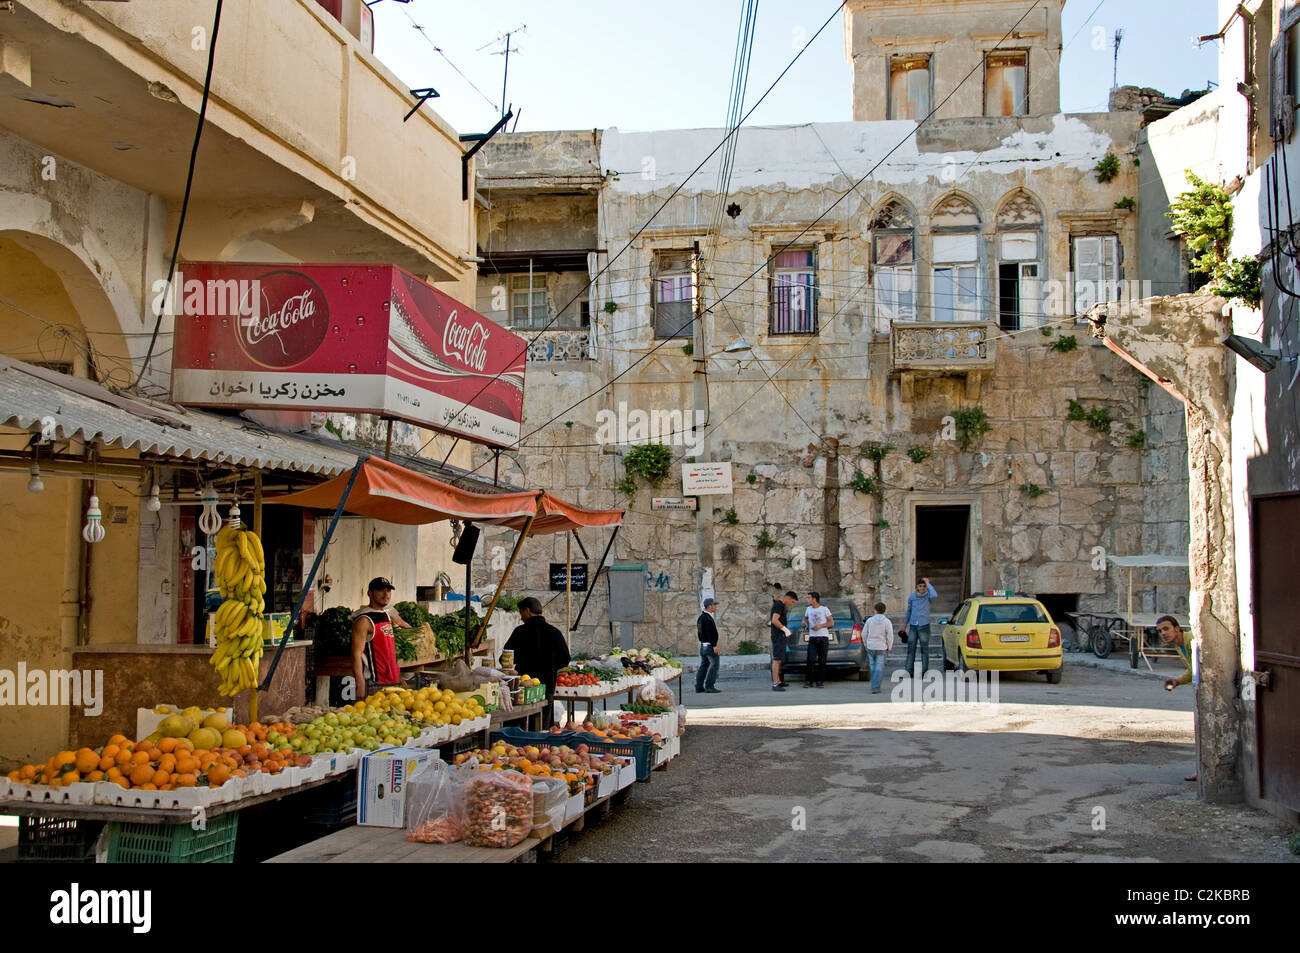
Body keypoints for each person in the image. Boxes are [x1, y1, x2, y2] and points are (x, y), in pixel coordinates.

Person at [503, 596, 571, 727]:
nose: (521, 617)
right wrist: (550, 666)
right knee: (543, 726)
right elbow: (565, 659)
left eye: (521, 612)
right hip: (546, 686)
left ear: (527, 610)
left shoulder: (520, 632)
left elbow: (506, 658)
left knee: (520, 723)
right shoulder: (554, 632)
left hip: (523, 688)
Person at [351, 577, 412, 701]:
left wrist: (398, 676)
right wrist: (360, 684)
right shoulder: (364, 620)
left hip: (391, 682)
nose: (386, 594)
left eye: (388, 590)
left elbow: (388, 650)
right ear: (370, 593)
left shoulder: (385, 615)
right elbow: (356, 654)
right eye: (380, 590)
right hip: (374, 684)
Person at [1157, 615, 1198, 782]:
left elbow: (1201, 669)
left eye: (1166, 629)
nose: (1163, 633)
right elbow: (1193, 670)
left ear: (1177, 628)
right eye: (1160, 631)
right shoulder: (1180, 646)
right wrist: (1178, 681)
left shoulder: (1190, 642)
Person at [899, 577, 937, 676]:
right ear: (917, 587)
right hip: (913, 626)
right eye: (920, 586)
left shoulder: (928, 596)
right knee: (911, 649)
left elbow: (934, 595)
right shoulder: (912, 597)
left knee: (924, 649)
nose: (922, 588)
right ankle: (909, 671)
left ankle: (925, 672)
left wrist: (928, 584)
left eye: (924, 586)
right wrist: (904, 625)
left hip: (924, 625)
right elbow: (909, 611)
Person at [802, 591, 834, 688]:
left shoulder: (824, 609)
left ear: (814, 599)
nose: (807, 600)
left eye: (809, 598)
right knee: (810, 659)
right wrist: (804, 622)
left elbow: (831, 622)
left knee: (822, 660)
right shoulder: (808, 609)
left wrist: (820, 626)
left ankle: (820, 681)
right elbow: (805, 618)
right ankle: (809, 680)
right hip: (812, 637)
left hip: (823, 637)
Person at [865, 601, 895, 694]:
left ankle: (874, 685)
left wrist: (866, 644)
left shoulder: (869, 620)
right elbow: (890, 635)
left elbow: (864, 633)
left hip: (871, 646)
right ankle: (876, 687)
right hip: (882, 646)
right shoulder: (887, 621)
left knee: (872, 667)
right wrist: (889, 647)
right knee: (879, 667)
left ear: (875, 610)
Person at [770, 590, 797, 692]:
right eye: (792, 602)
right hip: (778, 635)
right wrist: (785, 629)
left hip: (780, 635)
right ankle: (776, 683)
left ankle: (779, 681)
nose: (792, 604)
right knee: (777, 659)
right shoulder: (779, 605)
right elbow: (774, 620)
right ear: (788, 598)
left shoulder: (781, 606)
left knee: (780, 659)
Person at [695, 598, 722, 693]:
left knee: (704, 666)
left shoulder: (701, 617)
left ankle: (699, 686)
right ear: (709, 606)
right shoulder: (708, 618)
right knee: (714, 665)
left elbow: (700, 632)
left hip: (703, 646)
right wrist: (714, 645)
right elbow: (710, 633)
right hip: (709, 646)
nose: (716, 607)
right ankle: (709, 686)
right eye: (714, 605)